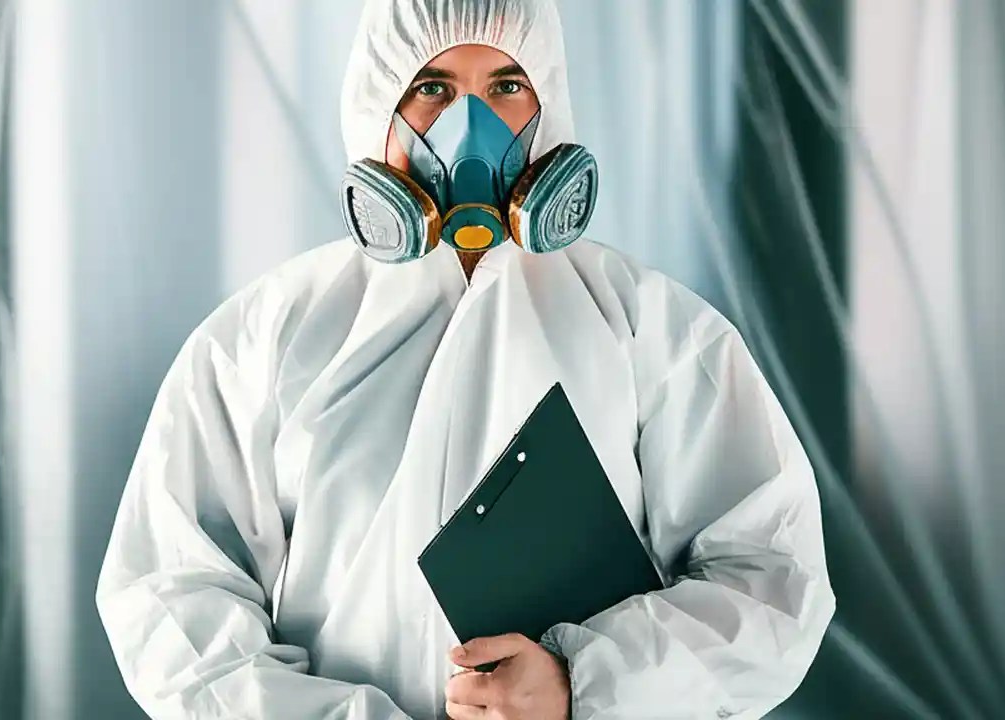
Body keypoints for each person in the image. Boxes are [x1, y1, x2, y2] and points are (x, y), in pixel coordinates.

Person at [96, 1, 836, 718]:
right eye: (433, 89)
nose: (470, 128)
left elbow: (772, 582)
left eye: (507, 87)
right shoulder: (266, 337)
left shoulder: (653, 331)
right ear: (375, 102)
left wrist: (587, 685)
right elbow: (170, 596)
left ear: (550, 104)